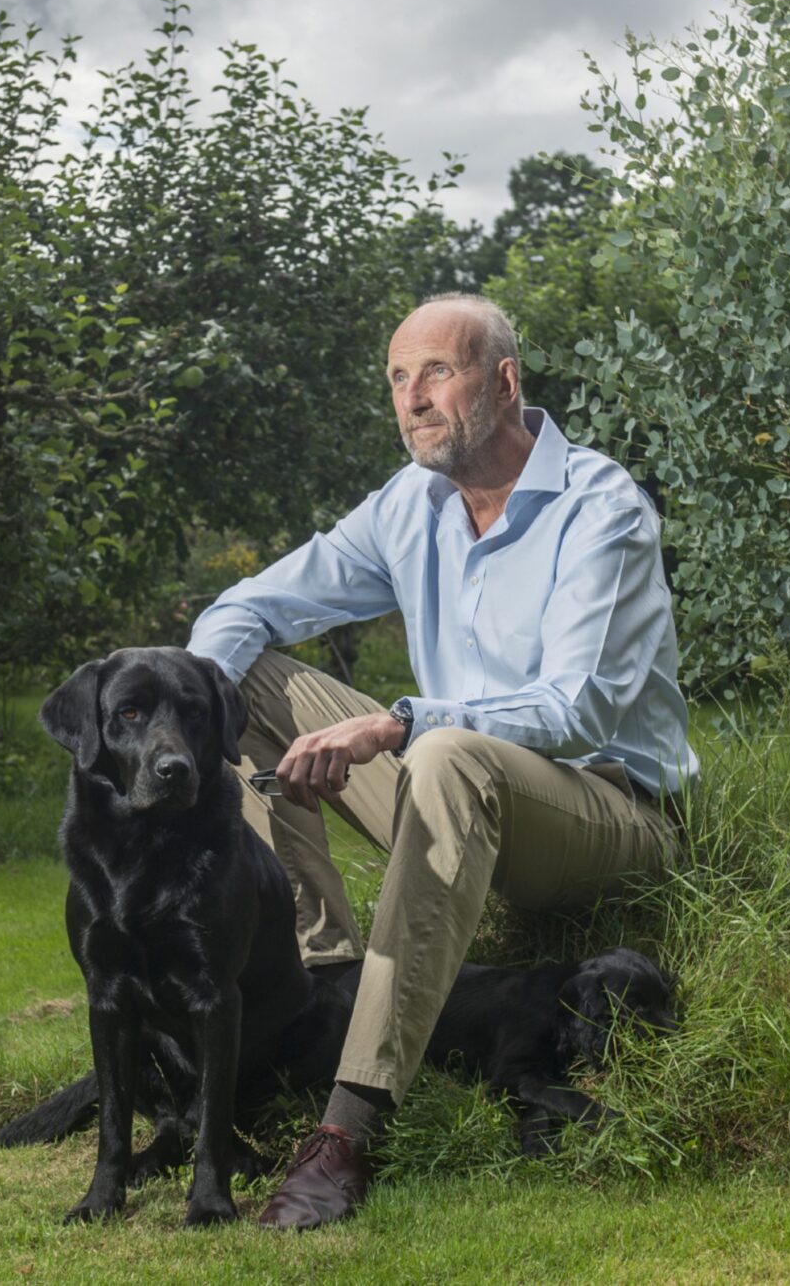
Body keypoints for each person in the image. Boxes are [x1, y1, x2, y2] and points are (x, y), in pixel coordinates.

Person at [185, 293, 696, 1229]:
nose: (412, 398)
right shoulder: (409, 504)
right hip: (452, 788)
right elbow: (242, 608)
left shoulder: (600, 506)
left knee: (448, 748)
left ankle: (349, 1127)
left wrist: (397, 722)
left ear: (502, 383)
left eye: (435, 372)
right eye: (396, 378)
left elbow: (577, 704)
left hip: (607, 813)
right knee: (236, 679)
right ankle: (316, 988)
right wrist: (190, 712)